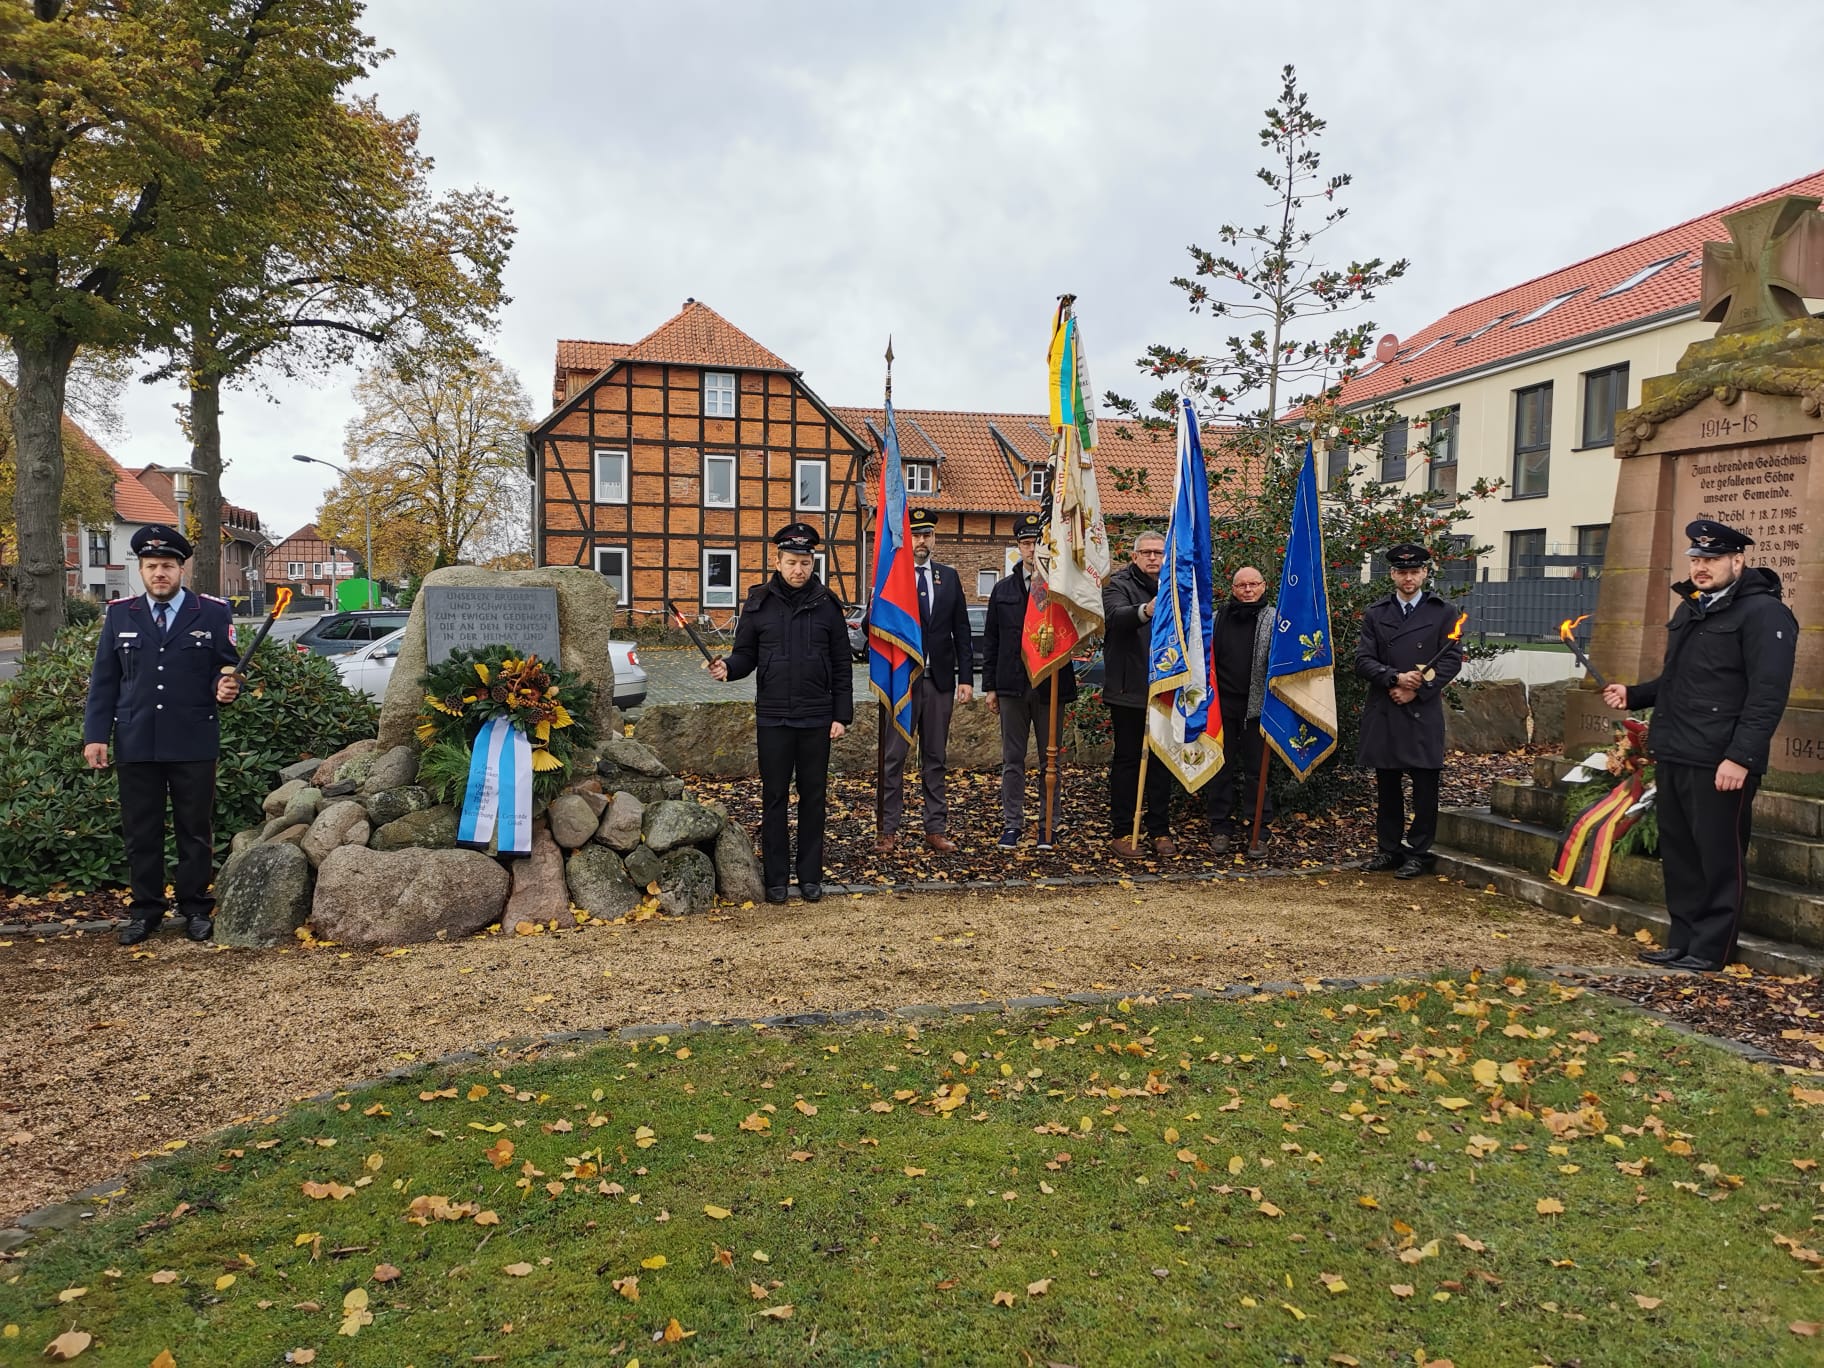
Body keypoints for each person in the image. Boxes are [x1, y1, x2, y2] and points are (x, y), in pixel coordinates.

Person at [1602, 518, 1796, 972]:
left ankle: (1711, 949)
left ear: (1737, 561)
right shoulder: (1694, 606)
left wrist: (1740, 757)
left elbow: (1767, 694)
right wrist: (1635, 694)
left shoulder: (1764, 614)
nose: (1701, 567)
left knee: (1718, 856)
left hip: (1721, 759)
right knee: (1681, 853)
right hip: (1676, 749)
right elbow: (1679, 679)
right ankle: (1683, 939)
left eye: (1711, 559)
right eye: (1696, 559)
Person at [82, 524, 242, 946]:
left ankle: (194, 907)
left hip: (192, 740)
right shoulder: (120, 614)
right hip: (136, 740)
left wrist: (226, 688)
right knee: (141, 831)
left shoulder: (212, 612)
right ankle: (146, 910)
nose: (159, 573)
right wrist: (95, 736)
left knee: (195, 830)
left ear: (181, 569)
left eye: (167, 566)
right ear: (140, 569)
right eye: (151, 566)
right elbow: (105, 681)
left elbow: (225, 668)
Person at [710, 522, 852, 904]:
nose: (798, 570)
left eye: (805, 562)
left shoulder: (827, 606)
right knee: (773, 797)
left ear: (812, 563)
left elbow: (841, 664)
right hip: (773, 717)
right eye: (791, 562)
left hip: (817, 717)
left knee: (813, 797)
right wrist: (729, 668)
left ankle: (809, 877)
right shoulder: (758, 603)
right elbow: (746, 655)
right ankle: (776, 878)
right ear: (777, 561)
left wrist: (842, 715)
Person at [1354, 543, 1462, 879]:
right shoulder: (1376, 613)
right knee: (1387, 785)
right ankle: (1389, 849)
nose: (1408, 578)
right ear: (1392, 575)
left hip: (1421, 710)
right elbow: (1363, 660)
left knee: (1424, 785)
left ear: (1425, 574)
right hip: (1386, 707)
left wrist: (1416, 688)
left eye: (1415, 572)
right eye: (1402, 572)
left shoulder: (1443, 611)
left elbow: (1452, 659)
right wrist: (1395, 678)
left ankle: (1419, 851)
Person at [873, 508, 973, 855]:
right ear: (906, 539)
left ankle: (935, 827)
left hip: (939, 681)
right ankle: (887, 829)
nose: (921, 542)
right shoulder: (894, 580)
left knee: (936, 756)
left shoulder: (949, 576)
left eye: (927, 535)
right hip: (903, 682)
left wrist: (966, 679)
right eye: (916, 535)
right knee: (893, 757)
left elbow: (961, 630)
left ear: (934, 539)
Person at [981, 512, 1078, 850]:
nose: (1031, 549)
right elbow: (990, 641)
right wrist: (990, 687)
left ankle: (1049, 823)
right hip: (1011, 685)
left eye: (1037, 543)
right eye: (1025, 543)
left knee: (1051, 760)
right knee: (1013, 760)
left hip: (1051, 685)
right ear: (1018, 547)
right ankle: (1012, 824)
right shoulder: (1002, 590)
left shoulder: (1060, 588)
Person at [1103, 530, 1174, 858]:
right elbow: (1116, 617)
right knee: (1128, 762)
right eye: (1145, 552)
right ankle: (1122, 831)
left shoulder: (1176, 585)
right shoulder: (1119, 585)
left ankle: (1159, 830)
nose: (1152, 558)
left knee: (1161, 764)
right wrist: (1147, 610)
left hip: (1167, 689)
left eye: (1158, 552)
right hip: (1128, 689)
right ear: (1134, 557)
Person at [1204, 565, 1276, 858]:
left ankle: (1258, 828)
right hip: (1222, 707)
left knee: (1257, 772)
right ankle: (1220, 828)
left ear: (1263, 586)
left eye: (1253, 584)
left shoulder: (1276, 620)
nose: (1247, 590)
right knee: (1219, 770)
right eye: (1241, 585)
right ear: (1232, 589)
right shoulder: (1218, 618)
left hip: (1259, 708)